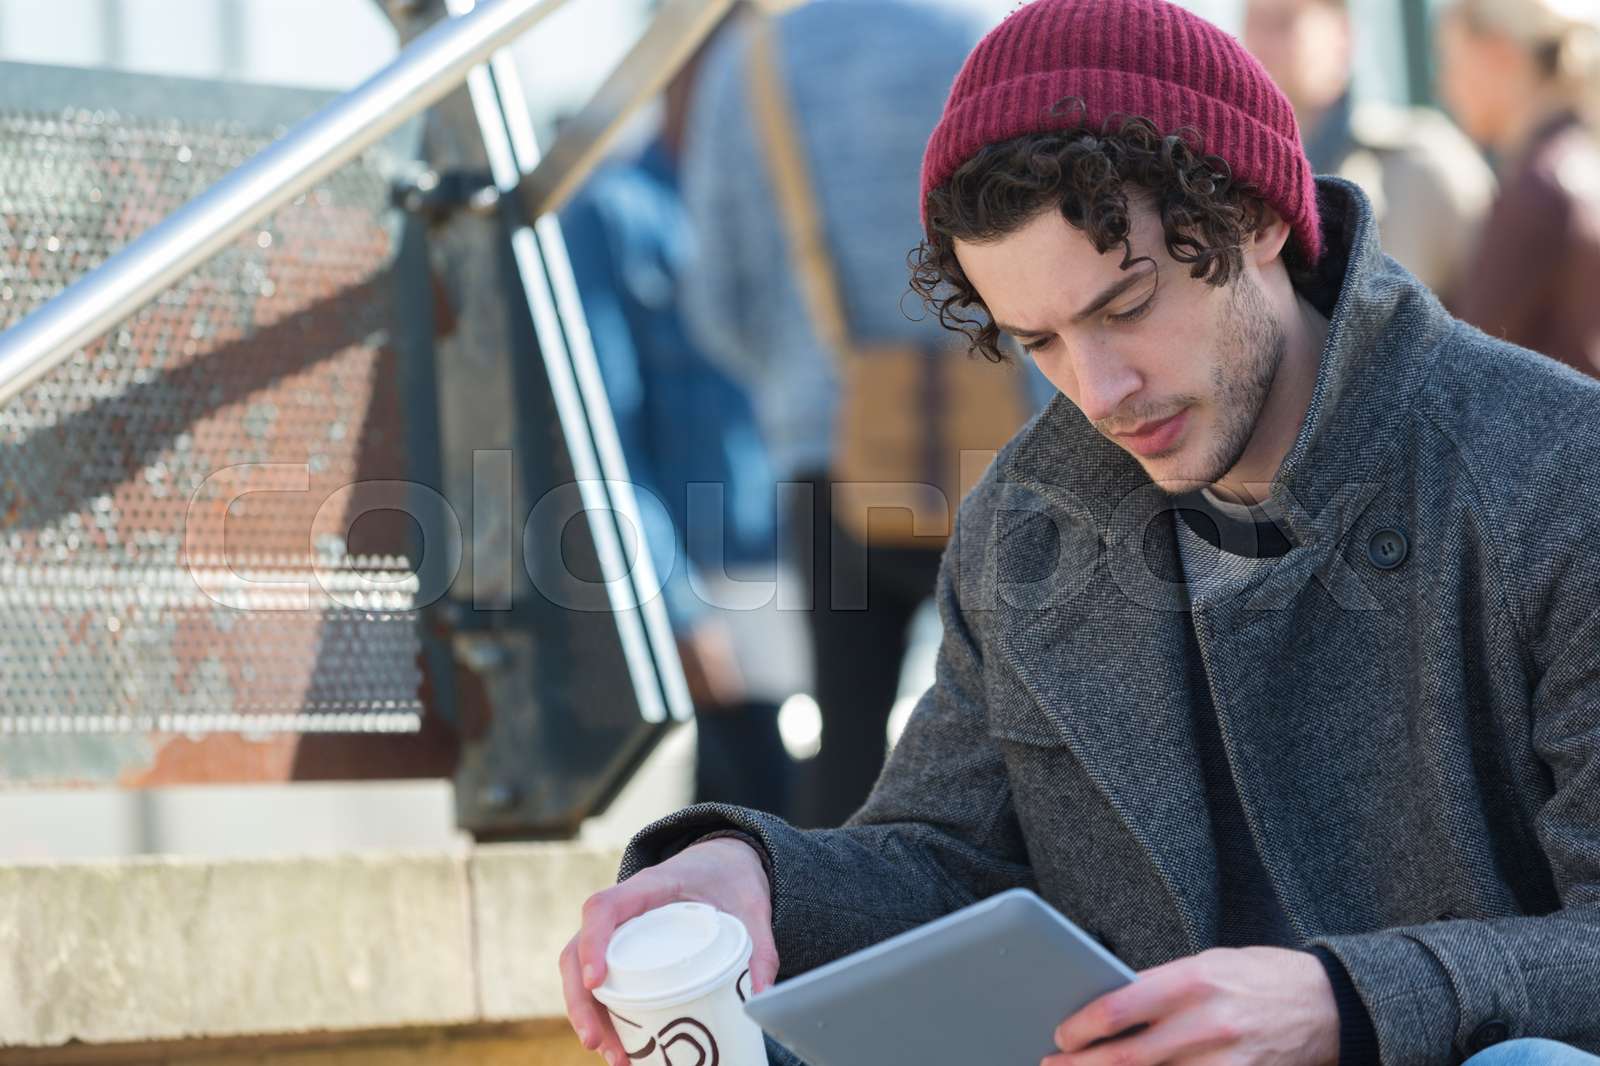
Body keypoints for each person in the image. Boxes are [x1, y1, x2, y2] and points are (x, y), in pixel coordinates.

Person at [563, 1, 1600, 1064]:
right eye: (1039, 341)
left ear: (1260, 216)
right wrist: (756, 875)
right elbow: (940, 856)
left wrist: (1348, 999)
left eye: (1125, 304)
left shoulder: (1558, 469)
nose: (1098, 391)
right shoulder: (1026, 519)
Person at [676, 0, 1049, 828]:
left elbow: (714, 296)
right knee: (1035, 722)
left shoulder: (752, 62)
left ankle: (827, 951)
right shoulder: (980, 39)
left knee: (845, 739)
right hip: (1005, 439)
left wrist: (805, 378)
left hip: (828, 446)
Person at [560, 43, 794, 816]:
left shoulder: (789, 212)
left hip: (825, 577)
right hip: (718, 598)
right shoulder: (611, 215)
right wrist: (675, 609)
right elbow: (601, 440)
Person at [1243, 0, 1494, 305]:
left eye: (1283, 23)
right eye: (1253, 23)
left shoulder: (1425, 163)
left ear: (1343, 36)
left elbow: (1501, 311)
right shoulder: (1236, 186)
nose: (1260, 45)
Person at [1437, 0, 1600, 376]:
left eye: (1450, 60)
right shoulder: (1577, 161)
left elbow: (1473, 366)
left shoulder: (1539, 191)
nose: (1445, 84)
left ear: (1498, 55)